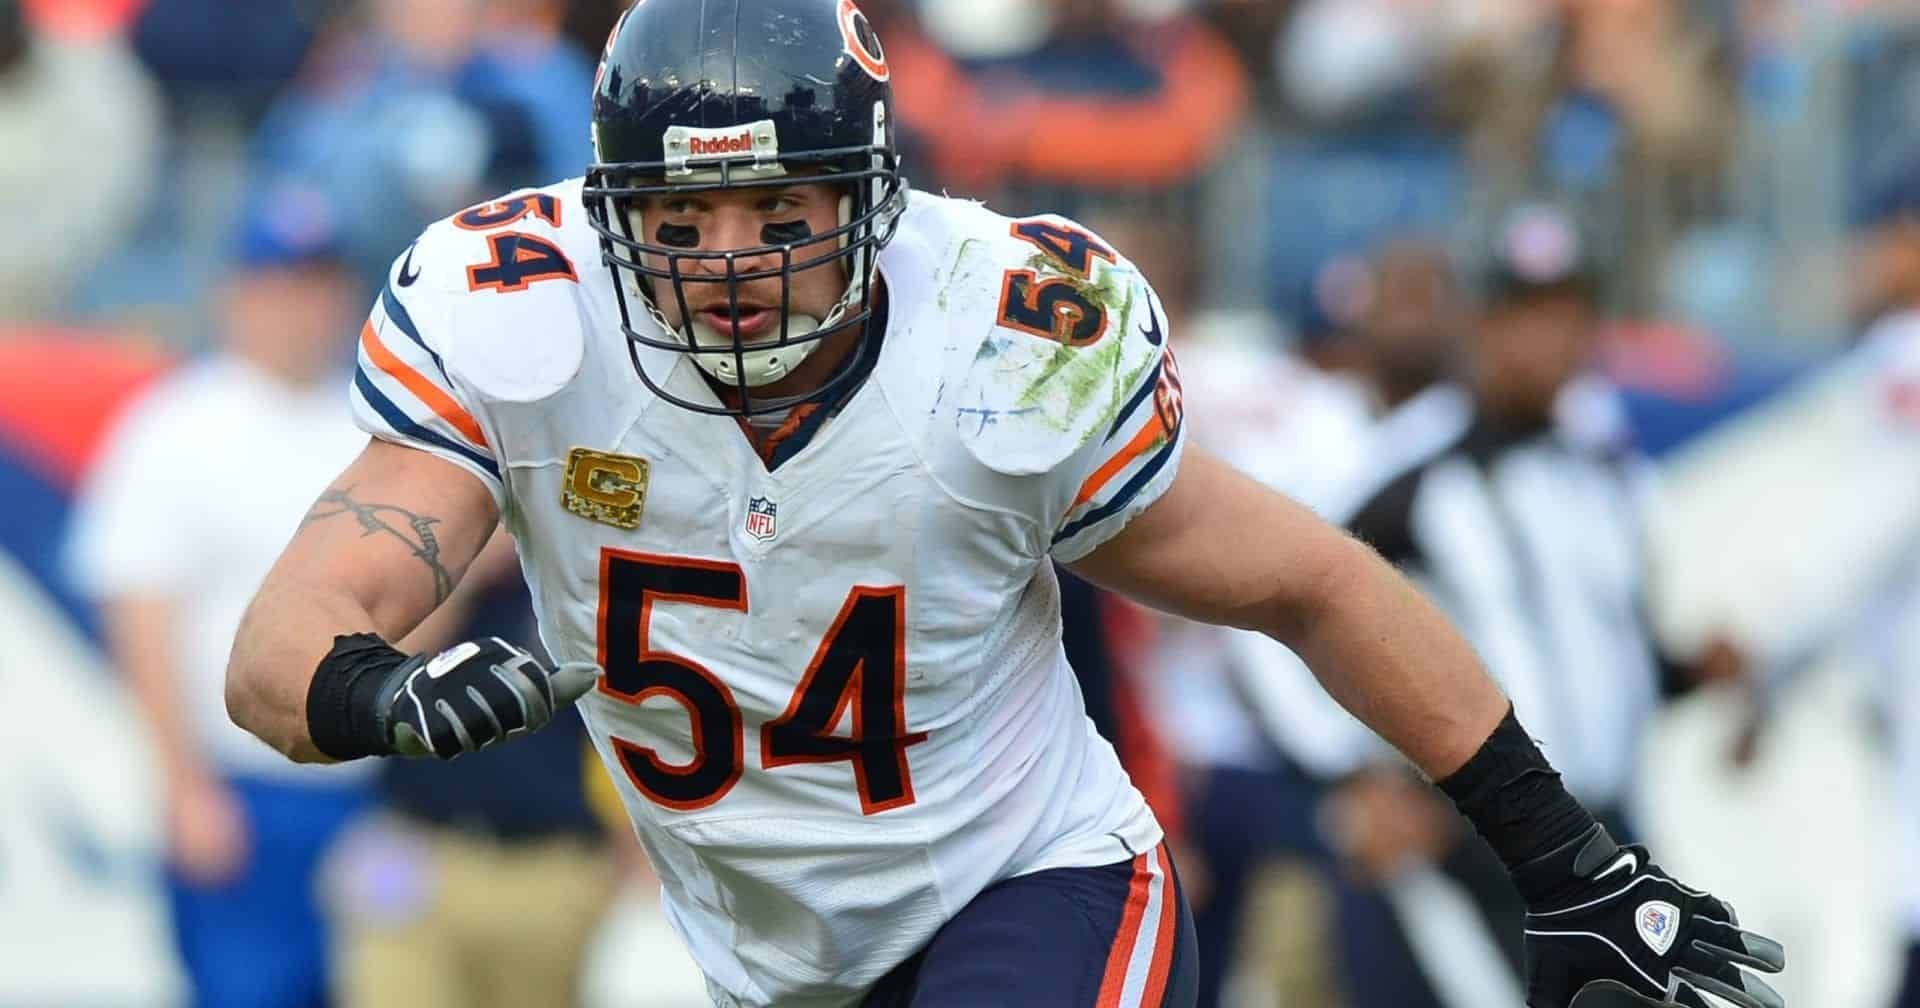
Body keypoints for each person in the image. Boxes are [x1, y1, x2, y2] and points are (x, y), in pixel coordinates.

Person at [222, 3, 1785, 1007]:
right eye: (683, 220)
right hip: (767, 955)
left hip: (1031, 882)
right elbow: (278, 650)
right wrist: (381, 694)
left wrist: (1565, 859)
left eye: (778, 209)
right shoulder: (524, 316)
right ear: (608, 216)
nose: (732, 260)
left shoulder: (999, 336)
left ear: (870, 193)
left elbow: (1312, 582)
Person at [68, 180, 375, 1008]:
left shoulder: (373, 424)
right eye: (280, 286)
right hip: (241, 780)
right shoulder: (178, 424)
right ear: (235, 293)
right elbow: (142, 618)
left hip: (371, 788)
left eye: (317, 284)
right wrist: (183, 785)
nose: (300, 309)